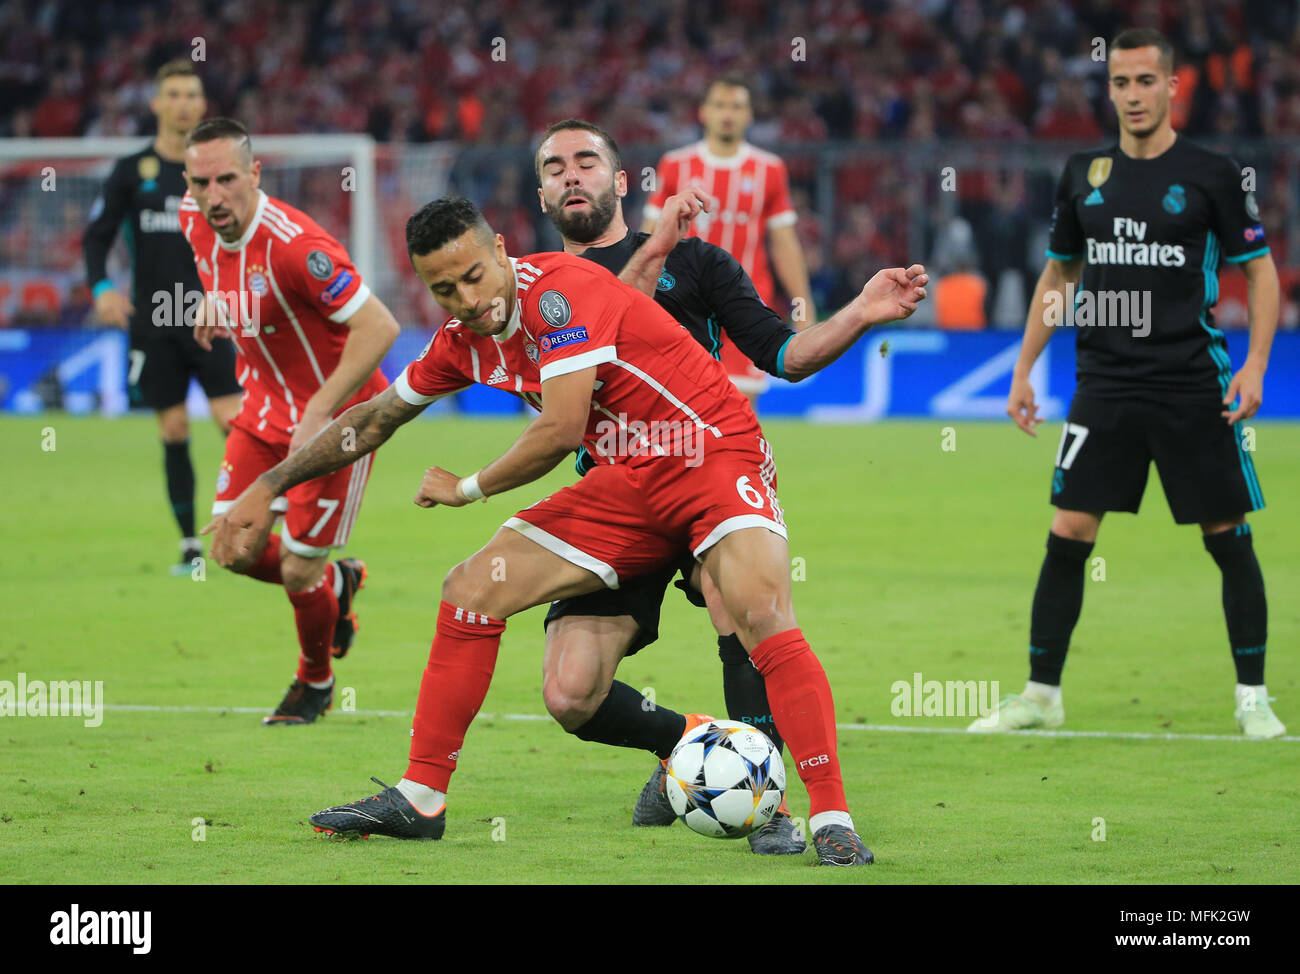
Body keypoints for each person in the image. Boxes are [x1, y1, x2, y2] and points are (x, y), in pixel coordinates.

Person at [208, 197, 926, 864]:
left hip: (710, 450)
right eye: (446, 290)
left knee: (762, 612)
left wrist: (465, 488)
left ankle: (832, 820)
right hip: (624, 485)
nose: (468, 299)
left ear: (499, 249)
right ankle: (422, 799)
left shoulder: (557, 292)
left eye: (474, 275)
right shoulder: (460, 341)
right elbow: (374, 419)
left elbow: (559, 430)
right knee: (491, 612)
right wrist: (267, 485)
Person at [533, 118, 929, 854]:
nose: (571, 175)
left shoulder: (699, 264)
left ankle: (783, 804)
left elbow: (784, 352)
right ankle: (693, 749)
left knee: (737, 605)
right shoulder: (542, 292)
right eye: (554, 167)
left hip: (708, 470)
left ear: (621, 183)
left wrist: (861, 312)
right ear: (541, 192)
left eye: (587, 161)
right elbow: (596, 334)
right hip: (614, 494)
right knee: (568, 693)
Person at [969, 28, 1285, 739]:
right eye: (1121, 82)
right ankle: (1042, 695)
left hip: (1192, 383)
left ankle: (1253, 697)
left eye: (1146, 81)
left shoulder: (1213, 174)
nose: (1133, 95)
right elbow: (1060, 274)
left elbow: (1259, 272)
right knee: (1068, 530)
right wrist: (1023, 370)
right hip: (1104, 382)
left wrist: (1257, 365)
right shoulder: (1083, 172)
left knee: (1227, 534)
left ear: (1173, 87)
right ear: (1108, 88)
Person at [181, 118, 400, 725]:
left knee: (299, 566)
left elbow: (380, 327)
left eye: (228, 179)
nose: (214, 194)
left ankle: (315, 682)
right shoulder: (193, 216)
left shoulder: (297, 246)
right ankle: (339, 586)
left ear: (255, 174)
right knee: (228, 545)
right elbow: (219, 262)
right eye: (202, 182)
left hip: (341, 419)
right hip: (263, 409)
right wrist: (211, 297)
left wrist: (321, 408)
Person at [82, 59, 242, 574]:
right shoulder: (132, 171)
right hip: (153, 324)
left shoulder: (214, 172)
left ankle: (250, 528)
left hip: (210, 320)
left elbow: (244, 236)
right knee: (173, 428)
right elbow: (96, 236)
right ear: (156, 103)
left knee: (234, 424)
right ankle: (189, 547)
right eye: (171, 93)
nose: (181, 103)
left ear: (201, 106)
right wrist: (103, 287)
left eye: (190, 94)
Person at [643, 75, 816, 404]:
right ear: (703, 112)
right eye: (720, 105)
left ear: (749, 115)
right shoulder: (675, 165)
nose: (728, 114)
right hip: (682, 305)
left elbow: (784, 244)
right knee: (678, 407)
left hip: (744, 305)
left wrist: (802, 305)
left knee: (739, 410)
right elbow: (650, 236)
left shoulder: (770, 169)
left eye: (737, 106)